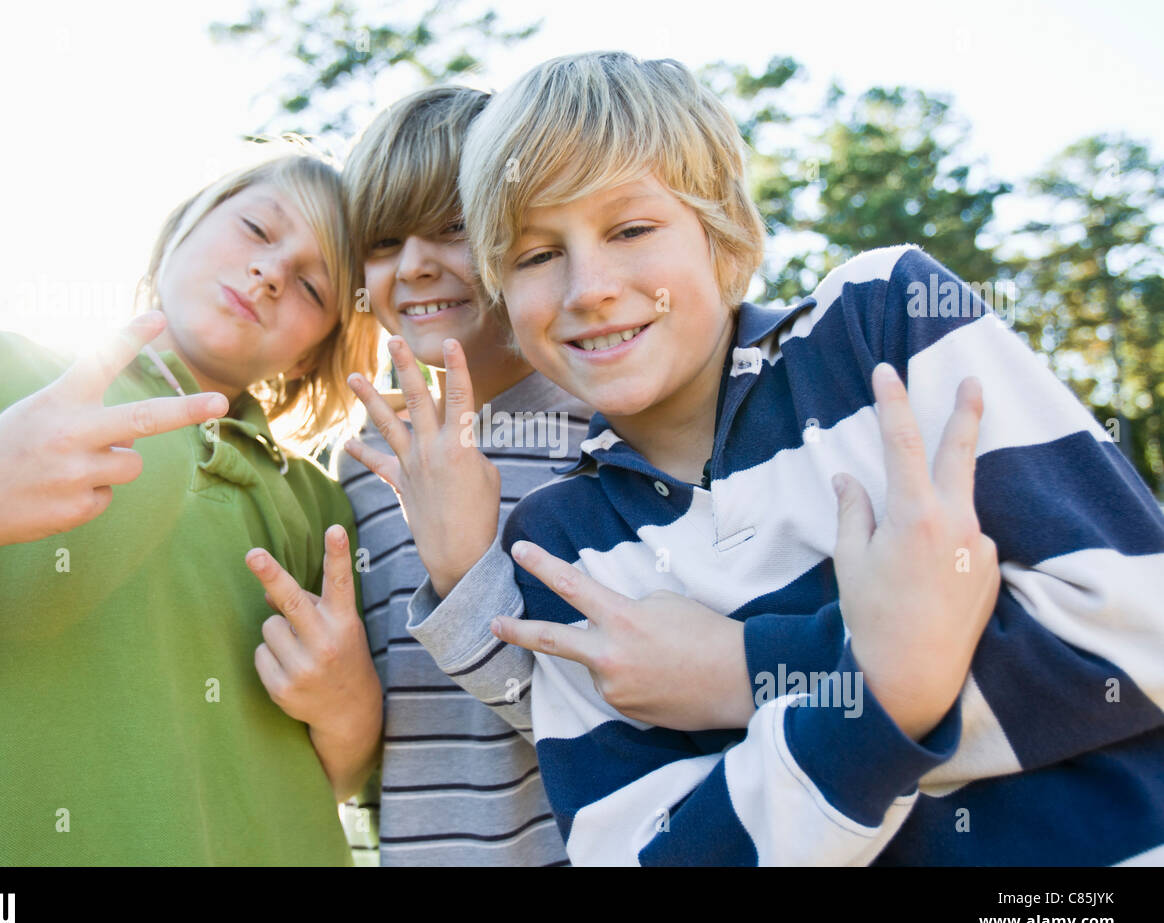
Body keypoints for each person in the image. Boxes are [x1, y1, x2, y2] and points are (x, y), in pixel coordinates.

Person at [397, 51, 1164, 865]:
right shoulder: (561, 544)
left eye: (630, 229)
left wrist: (743, 671)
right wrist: (879, 704)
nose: (587, 287)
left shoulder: (879, 323)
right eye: (535, 254)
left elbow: (1135, 639)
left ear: (721, 230)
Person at [0, 148, 383, 865]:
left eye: (312, 288)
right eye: (259, 230)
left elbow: (341, 779)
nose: (270, 273)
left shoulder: (325, 502)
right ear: (178, 231)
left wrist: (350, 708)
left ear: (309, 355)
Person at [333, 86, 592, 865]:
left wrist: (464, 569)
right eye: (381, 242)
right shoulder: (359, 467)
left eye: (451, 228)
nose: (414, 266)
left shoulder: (606, 428)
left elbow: (615, 722)